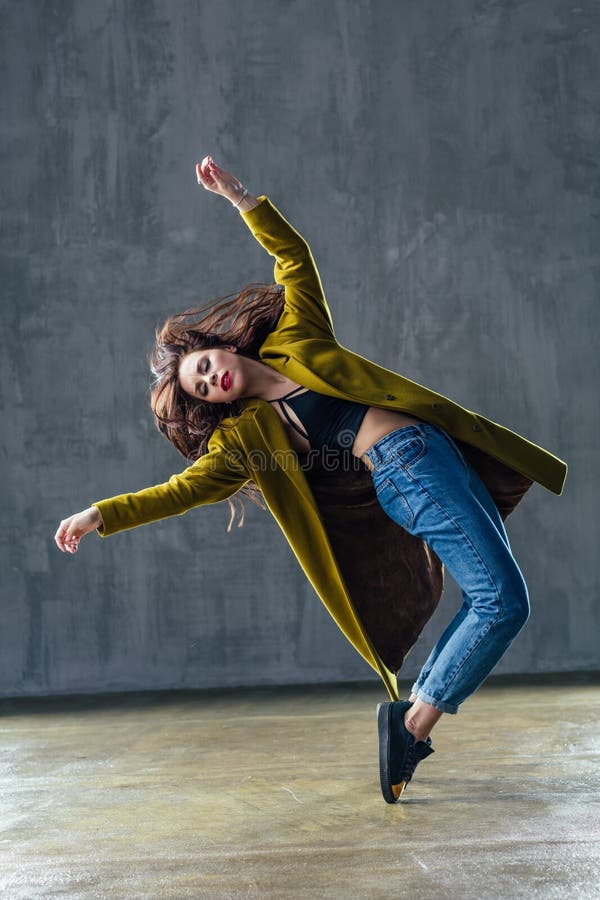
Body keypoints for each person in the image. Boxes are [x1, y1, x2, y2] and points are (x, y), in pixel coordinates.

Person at [55, 156, 568, 802]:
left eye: (204, 367)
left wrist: (240, 198)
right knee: (503, 600)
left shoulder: (297, 335)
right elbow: (178, 493)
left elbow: (293, 259)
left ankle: (412, 718)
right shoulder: (245, 440)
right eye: (202, 389)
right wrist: (99, 515)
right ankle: (412, 724)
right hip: (407, 473)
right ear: (215, 405)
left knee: (491, 597)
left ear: (221, 349)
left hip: (439, 451)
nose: (211, 379)